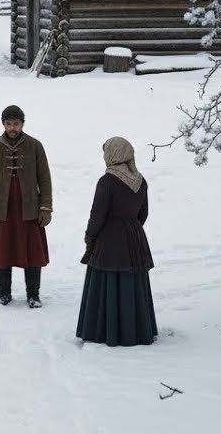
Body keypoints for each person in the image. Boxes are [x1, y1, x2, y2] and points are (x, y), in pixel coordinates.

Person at [76, 137, 158, 347]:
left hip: (109, 240)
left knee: (108, 282)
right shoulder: (140, 181)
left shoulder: (107, 181)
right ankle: (136, 330)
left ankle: (106, 331)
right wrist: (131, 230)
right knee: (133, 284)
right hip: (135, 237)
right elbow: (143, 213)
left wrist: (91, 237)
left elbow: (97, 215)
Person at [0, 105, 52, 307]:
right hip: (2, 209)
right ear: (3, 124)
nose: (12, 128)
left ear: (22, 124)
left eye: (16, 124)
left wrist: (46, 207)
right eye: (9, 123)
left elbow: (44, 178)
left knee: (32, 253)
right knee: (3, 252)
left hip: (29, 208)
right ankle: (4, 294)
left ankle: (33, 295)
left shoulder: (35, 146)